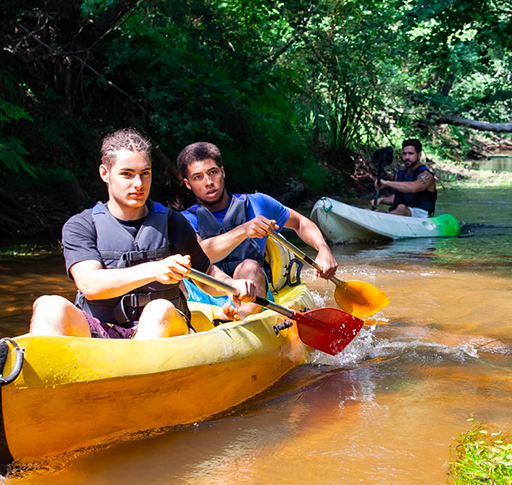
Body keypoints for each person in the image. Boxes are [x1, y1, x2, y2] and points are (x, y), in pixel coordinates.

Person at [30, 128, 215, 340]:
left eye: (145, 174)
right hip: (101, 330)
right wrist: (155, 270)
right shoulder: (81, 225)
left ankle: (140, 370)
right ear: (104, 173)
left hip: (163, 329)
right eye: (127, 174)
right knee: (48, 306)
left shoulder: (173, 222)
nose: (138, 184)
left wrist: (235, 287)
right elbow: (90, 284)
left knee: (158, 310)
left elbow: (207, 274)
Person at [176, 141, 338, 312]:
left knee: (250, 266)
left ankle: (241, 316)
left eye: (213, 172)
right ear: (188, 183)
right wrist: (244, 230)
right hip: (206, 299)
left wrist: (323, 249)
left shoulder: (258, 203)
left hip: (253, 294)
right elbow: (200, 254)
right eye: (198, 177)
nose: (208, 182)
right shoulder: (184, 220)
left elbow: (300, 223)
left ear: (222, 172)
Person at [371, 138, 437, 217]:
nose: (407, 157)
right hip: (402, 212)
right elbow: (398, 197)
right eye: (404, 154)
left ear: (419, 155)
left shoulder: (426, 176)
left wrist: (386, 183)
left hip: (421, 214)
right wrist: (382, 200)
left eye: (410, 154)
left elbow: (413, 187)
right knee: (377, 210)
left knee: (401, 208)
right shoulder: (400, 175)